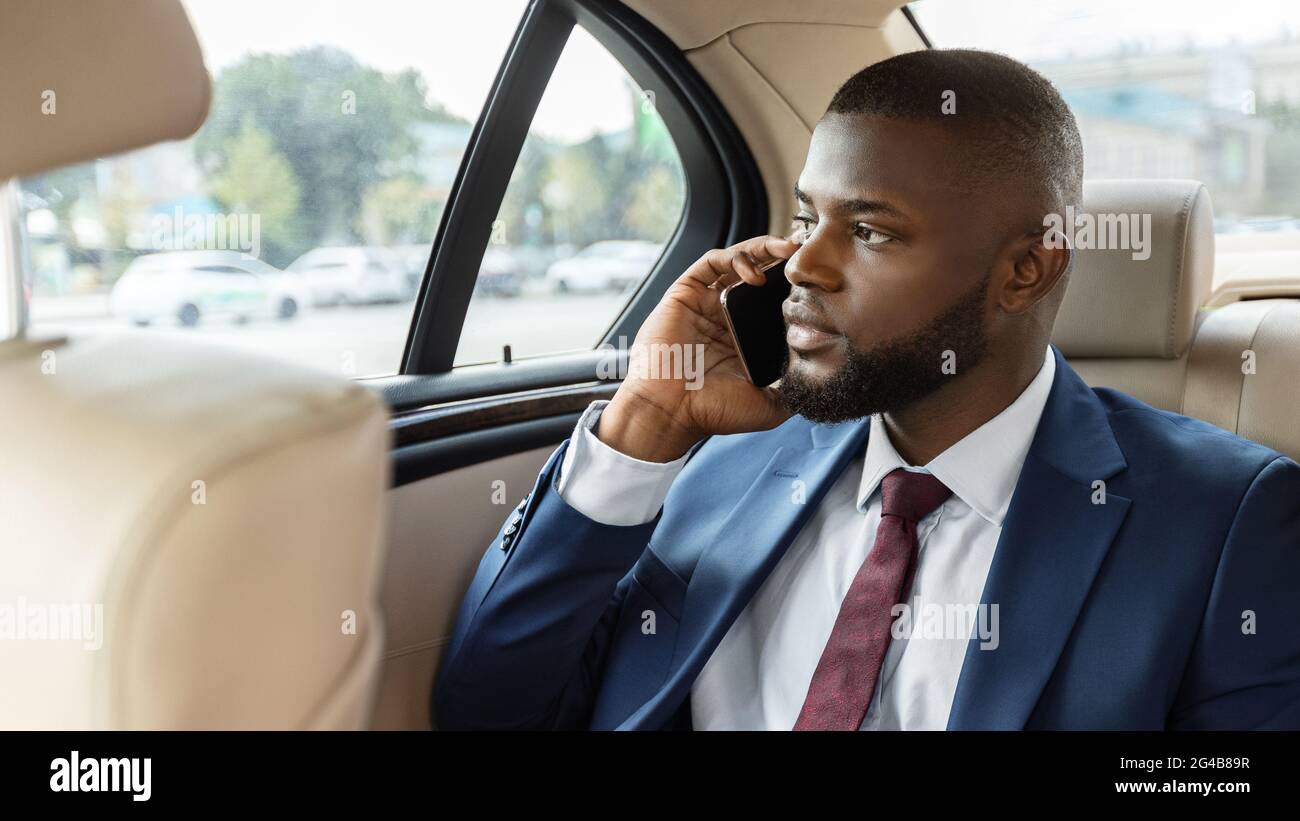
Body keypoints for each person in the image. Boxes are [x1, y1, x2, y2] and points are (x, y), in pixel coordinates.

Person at [434, 49, 1300, 730]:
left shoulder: (1221, 518)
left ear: (1025, 271)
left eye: (872, 230)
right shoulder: (721, 461)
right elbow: (489, 712)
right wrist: (644, 423)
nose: (802, 262)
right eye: (810, 217)